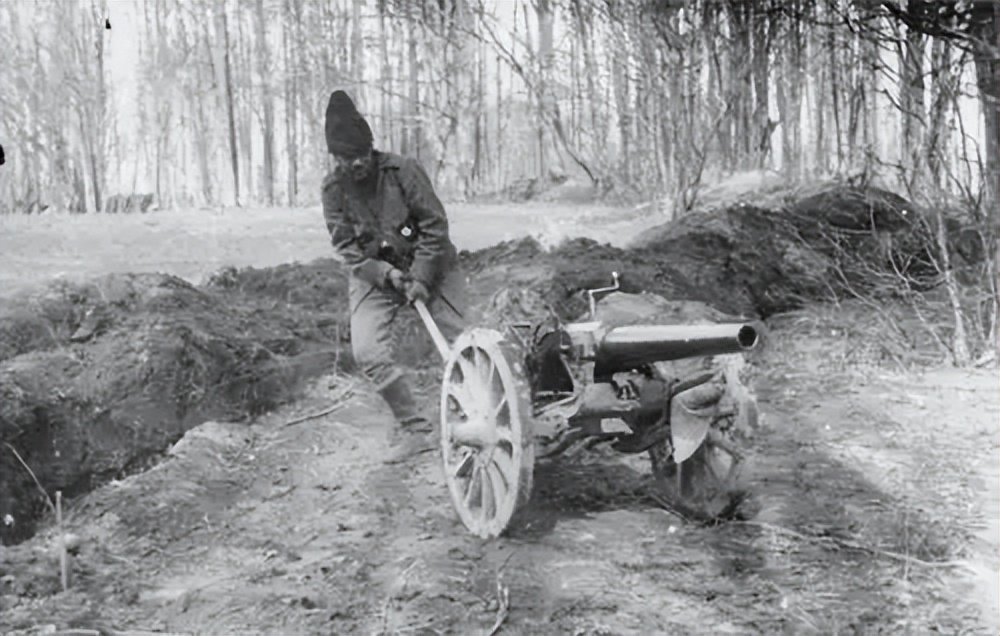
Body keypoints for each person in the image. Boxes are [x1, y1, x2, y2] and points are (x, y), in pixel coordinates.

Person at [320, 90, 467, 464]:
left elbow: (435, 227)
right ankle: (415, 429)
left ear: (372, 149)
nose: (355, 164)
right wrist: (387, 275)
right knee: (367, 351)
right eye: (346, 159)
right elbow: (348, 248)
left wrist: (421, 277)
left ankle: (470, 419)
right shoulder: (333, 190)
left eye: (361, 155)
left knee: (460, 344)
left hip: (430, 260)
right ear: (335, 158)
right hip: (373, 272)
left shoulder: (404, 172)